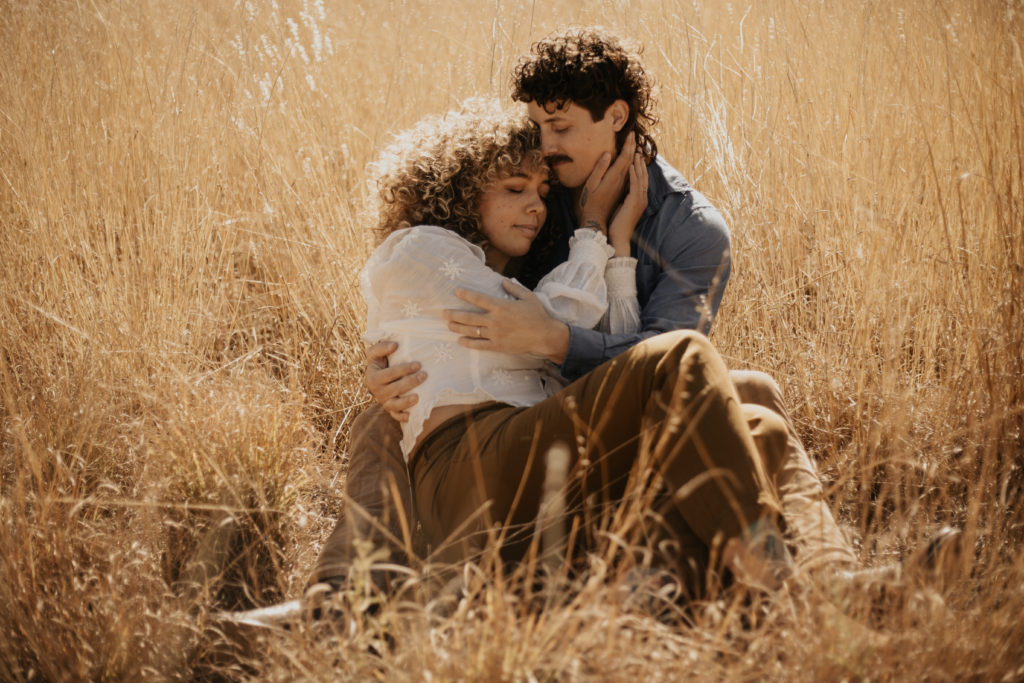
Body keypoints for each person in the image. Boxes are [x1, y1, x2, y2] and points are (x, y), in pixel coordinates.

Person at [310, 27, 859, 597]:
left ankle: (830, 579)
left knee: (757, 404)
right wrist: (386, 362)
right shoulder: (530, 200)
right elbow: (434, 320)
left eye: (561, 127)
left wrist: (560, 334)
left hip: (567, 418)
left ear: (616, 116)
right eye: (537, 128)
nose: (544, 148)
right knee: (379, 419)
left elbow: (657, 369)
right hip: (514, 436)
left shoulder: (690, 230)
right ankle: (345, 589)